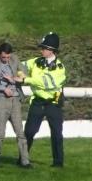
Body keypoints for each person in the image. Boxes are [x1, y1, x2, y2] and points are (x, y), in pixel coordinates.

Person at [18, 32, 68, 167]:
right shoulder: (35, 61)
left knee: (57, 133)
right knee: (29, 132)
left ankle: (58, 162)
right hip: (38, 101)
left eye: (44, 48)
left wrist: (25, 79)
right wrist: (20, 73)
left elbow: (47, 82)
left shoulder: (59, 67)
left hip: (53, 103)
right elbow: (19, 65)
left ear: (51, 50)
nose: (41, 50)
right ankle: (23, 159)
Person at [0, 42, 31, 168]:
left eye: (8, 57)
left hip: (15, 100)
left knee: (20, 133)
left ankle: (25, 161)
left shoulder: (14, 59)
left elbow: (25, 72)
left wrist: (15, 77)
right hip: (1, 100)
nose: (6, 60)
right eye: (3, 57)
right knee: (1, 132)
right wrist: (2, 88)